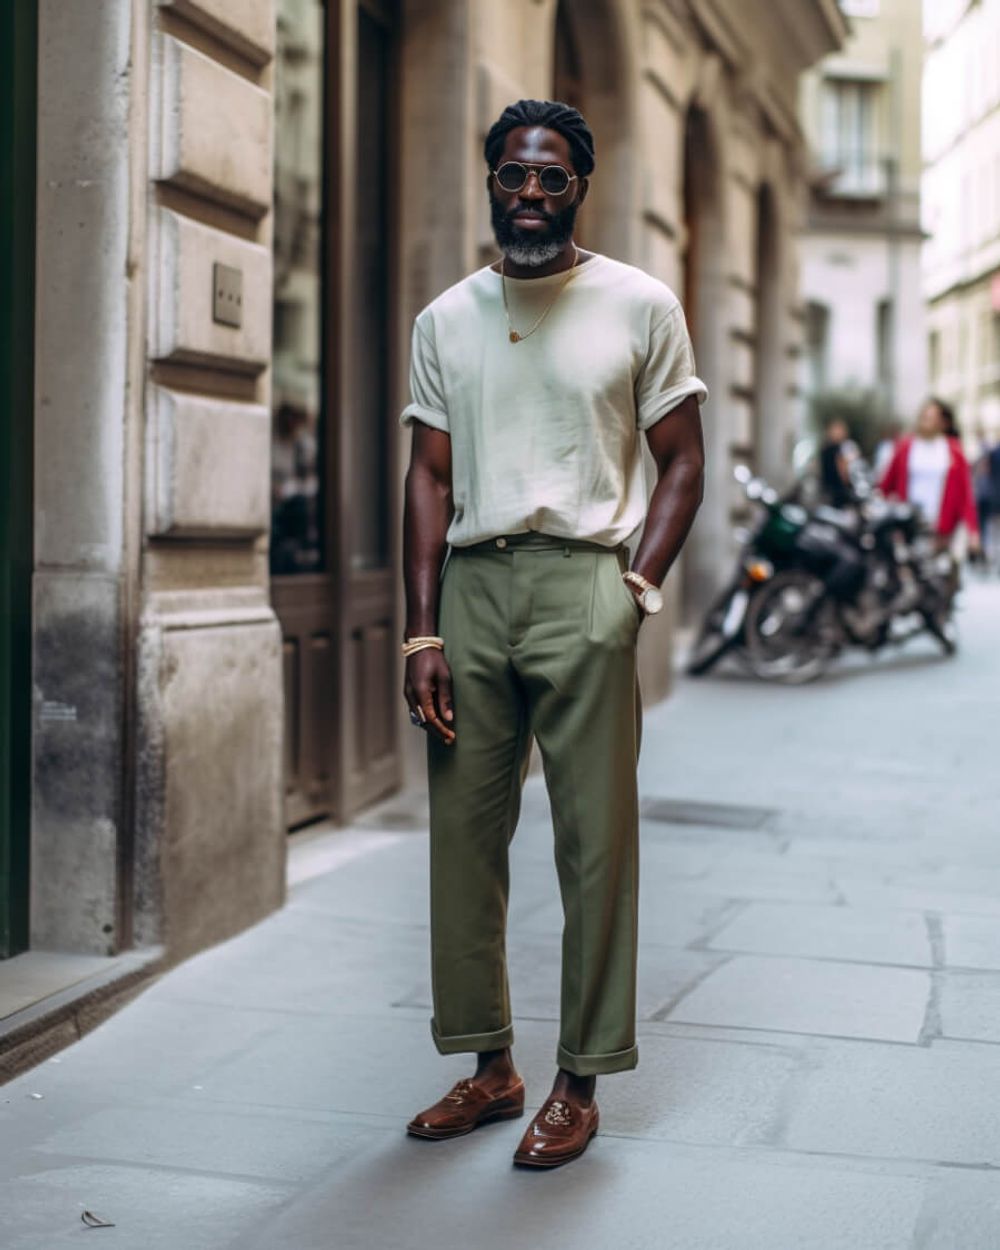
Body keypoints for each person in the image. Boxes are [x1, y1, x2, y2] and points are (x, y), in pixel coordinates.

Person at [400, 99, 707, 1169]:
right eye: (513, 176)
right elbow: (428, 476)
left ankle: (579, 1076)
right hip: (473, 593)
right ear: (490, 179)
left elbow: (682, 457)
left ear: (580, 185)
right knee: (462, 840)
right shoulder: (444, 319)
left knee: (595, 845)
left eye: (552, 178)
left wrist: (635, 587)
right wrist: (418, 632)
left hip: (587, 586)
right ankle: (489, 1066)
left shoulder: (638, 303)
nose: (530, 194)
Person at [879, 397, 980, 553]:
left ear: (943, 423)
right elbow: (885, 486)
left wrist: (973, 532)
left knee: (941, 574)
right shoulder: (905, 447)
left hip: (941, 532)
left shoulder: (953, 451)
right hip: (908, 528)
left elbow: (965, 495)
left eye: (931, 417)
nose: (925, 421)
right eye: (923, 416)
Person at [819, 417, 859, 508]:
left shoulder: (844, 447)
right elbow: (842, 472)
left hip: (839, 492)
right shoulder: (830, 449)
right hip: (833, 491)